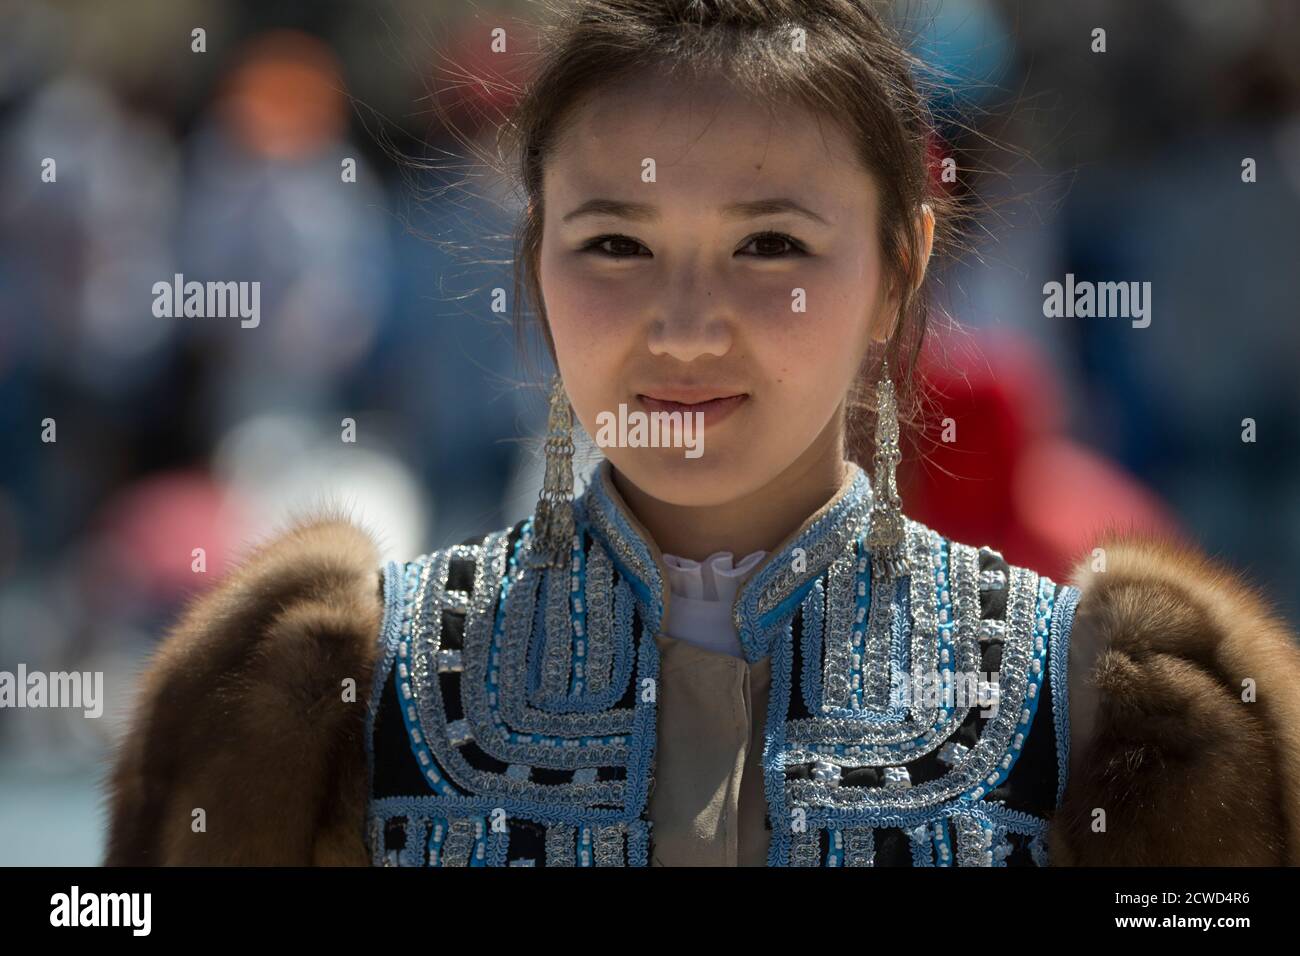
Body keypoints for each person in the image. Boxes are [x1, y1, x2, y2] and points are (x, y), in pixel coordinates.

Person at [104, 0, 1300, 866]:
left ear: (898, 272)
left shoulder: (1119, 714)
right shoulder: (317, 692)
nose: (683, 328)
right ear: (534, 263)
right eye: (615, 244)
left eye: (768, 244)